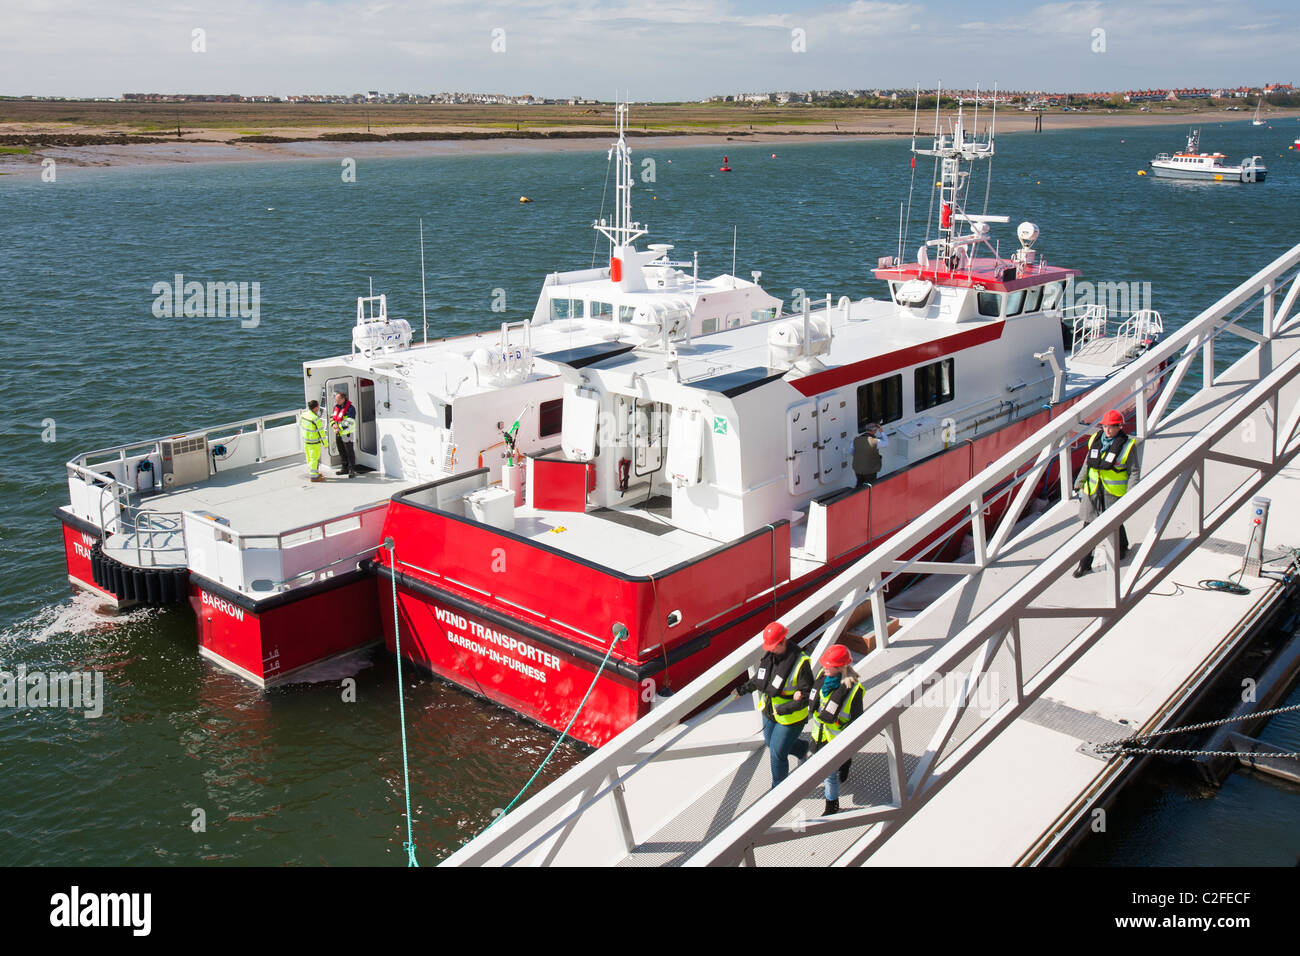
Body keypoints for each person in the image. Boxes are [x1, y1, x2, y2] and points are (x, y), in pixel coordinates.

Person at [736, 622, 813, 788]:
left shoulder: (801, 663)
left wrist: (785, 708)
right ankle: (802, 749)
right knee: (771, 743)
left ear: (782, 642)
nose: (770, 649)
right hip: (770, 712)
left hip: (790, 717)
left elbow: (807, 695)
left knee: (777, 753)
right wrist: (741, 690)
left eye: (773, 646)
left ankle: (778, 789)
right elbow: (759, 679)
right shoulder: (770, 658)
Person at [1073, 408, 1140, 576]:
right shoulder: (1095, 440)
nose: (1107, 431)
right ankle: (1085, 563)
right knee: (1088, 526)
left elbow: (1133, 471)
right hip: (1093, 491)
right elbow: (1087, 463)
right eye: (1104, 427)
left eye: (1111, 427)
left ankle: (1121, 548)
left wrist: (1131, 493)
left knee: (1113, 524)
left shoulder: (1127, 446)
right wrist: (1079, 482)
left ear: (1119, 427)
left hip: (1112, 493)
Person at [808, 644, 865, 816]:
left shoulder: (854, 691)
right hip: (819, 735)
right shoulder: (822, 677)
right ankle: (846, 763)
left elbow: (857, 720)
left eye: (829, 665)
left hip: (837, 740)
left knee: (829, 776)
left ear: (840, 667)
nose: (824, 667)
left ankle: (832, 806)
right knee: (830, 770)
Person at [331, 391, 358, 478]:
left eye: (338, 399)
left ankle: (351, 470)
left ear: (343, 399)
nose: (336, 401)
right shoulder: (336, 407)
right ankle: (344, 468)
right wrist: (333, 425)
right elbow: (332, 418)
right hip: (338, 433)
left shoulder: (351, 408)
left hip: (347, 434)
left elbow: (350, 421)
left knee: (349, 452)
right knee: (341, 451)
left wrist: (339, 428)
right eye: (336, 399)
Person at [301, 400, 326, 483]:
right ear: (315, 408)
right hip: (314, 443)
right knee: (314, 459)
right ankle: (314, 477)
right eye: (318, 406)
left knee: (309, 458)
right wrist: (325, 444)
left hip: (306, 441)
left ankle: (314, 472)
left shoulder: (304, 415)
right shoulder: (315, 419)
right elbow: (321, 433)